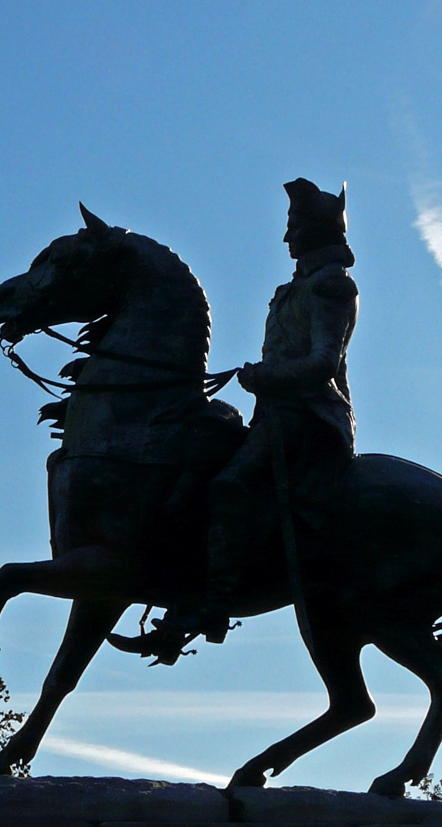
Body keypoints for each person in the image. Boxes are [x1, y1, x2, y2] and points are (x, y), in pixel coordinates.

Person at [147, 177, 360, 652]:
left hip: (309, 417)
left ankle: (216, 604)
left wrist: (266, 378)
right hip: (275, 412)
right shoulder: (296, 288)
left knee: (230, 485)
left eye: (295, 227)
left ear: (318, 231)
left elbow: (324, 362)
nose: (287, 238)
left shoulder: (332, 287)